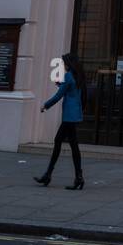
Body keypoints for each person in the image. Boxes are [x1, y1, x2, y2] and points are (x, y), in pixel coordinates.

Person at [34, 53, 86, 189]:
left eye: (64, 63)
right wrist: (61, 84)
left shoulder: (68, 76)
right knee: (71, 145)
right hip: (75, 114)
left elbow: (59, 96)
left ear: (69, 63)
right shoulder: (78, 76)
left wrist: (45, 105)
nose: (63, 65)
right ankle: (76, 177)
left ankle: (49, 175)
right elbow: (71, 91)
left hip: (69, 116)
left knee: (61, 142)